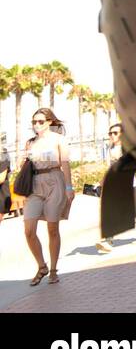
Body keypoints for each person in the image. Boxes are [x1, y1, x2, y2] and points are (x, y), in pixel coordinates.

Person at [22, 108, 73, 286]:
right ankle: (41, 266)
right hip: (34, 185)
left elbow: (65, 164)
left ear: (50, 122)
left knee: (52, 228)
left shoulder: (59, 140)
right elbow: (25, 166)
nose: (37, 125)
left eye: (40, 121)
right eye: (34, 122)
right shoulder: (30, 143)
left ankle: (52, 269)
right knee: (29, 231)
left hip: (55, 181)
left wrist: (69, 188)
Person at [97, 123, 136, 252]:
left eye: (115, 133)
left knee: (134, 209)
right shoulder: (110, 148)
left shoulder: (127, 149)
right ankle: (108, 240)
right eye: (110, 133)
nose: (112, 136)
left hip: (129, 183)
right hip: (115, 184)